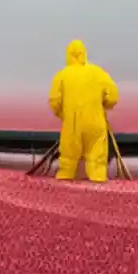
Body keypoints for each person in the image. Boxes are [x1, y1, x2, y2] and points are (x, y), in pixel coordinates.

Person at [48, 39, 120, 182]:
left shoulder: (61, 75)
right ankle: (98, 180)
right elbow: (113, 96)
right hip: (95, 122)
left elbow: (54, 101)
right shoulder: (98, 73)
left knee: (68, 156)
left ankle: (64, 180)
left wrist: (63, 115)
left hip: (72, 124)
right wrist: (104, 106)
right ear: (84, 54)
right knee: (97, 154)